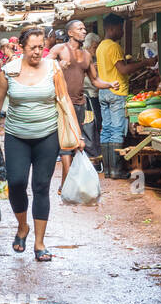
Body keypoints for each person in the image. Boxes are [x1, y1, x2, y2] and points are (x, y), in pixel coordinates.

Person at [0, 26, 81, 261]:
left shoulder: (53, 69)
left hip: (47, 136)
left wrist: (78, 135)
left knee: (41, 187)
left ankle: (40, 243)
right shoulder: (9, 71)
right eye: (32, 47)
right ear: (21, 48)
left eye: (40, 46)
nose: (37, 51)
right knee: (16, 183)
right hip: (17, 137)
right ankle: (22, 227)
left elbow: (64, 100)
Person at [48, 19, 115, 192]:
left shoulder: (86, 55)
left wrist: (109, 84)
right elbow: (43, 68)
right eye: (80, 29)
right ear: (70, 33)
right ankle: (66, 185)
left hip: (79, 104)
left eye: (84, 29)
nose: (84, 31)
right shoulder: (59, 50)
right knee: (65, 145)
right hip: (61, 104)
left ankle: (70, 184)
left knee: (77, 143)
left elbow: (95, 80)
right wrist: (57, 66)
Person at [95, 13, 156, 178]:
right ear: (111, 28)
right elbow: (123, 70)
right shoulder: (113, 47)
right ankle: (116, 170)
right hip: (117, 92)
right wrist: (145, 63)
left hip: (104, 92)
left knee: (106, 130)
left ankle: (108, 170)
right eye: (120, 28)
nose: (122, 32)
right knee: (116, 131)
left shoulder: (101, 46)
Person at [81, 31, 103, 159]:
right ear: (88, 46)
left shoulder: (92, 58)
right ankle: (92, 152)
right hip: (89, 96)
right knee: (92, 124)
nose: (96, 49)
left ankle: (95, 151)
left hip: (94, 94)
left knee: (95, 123)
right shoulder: (84, 57)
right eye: (95, 47)